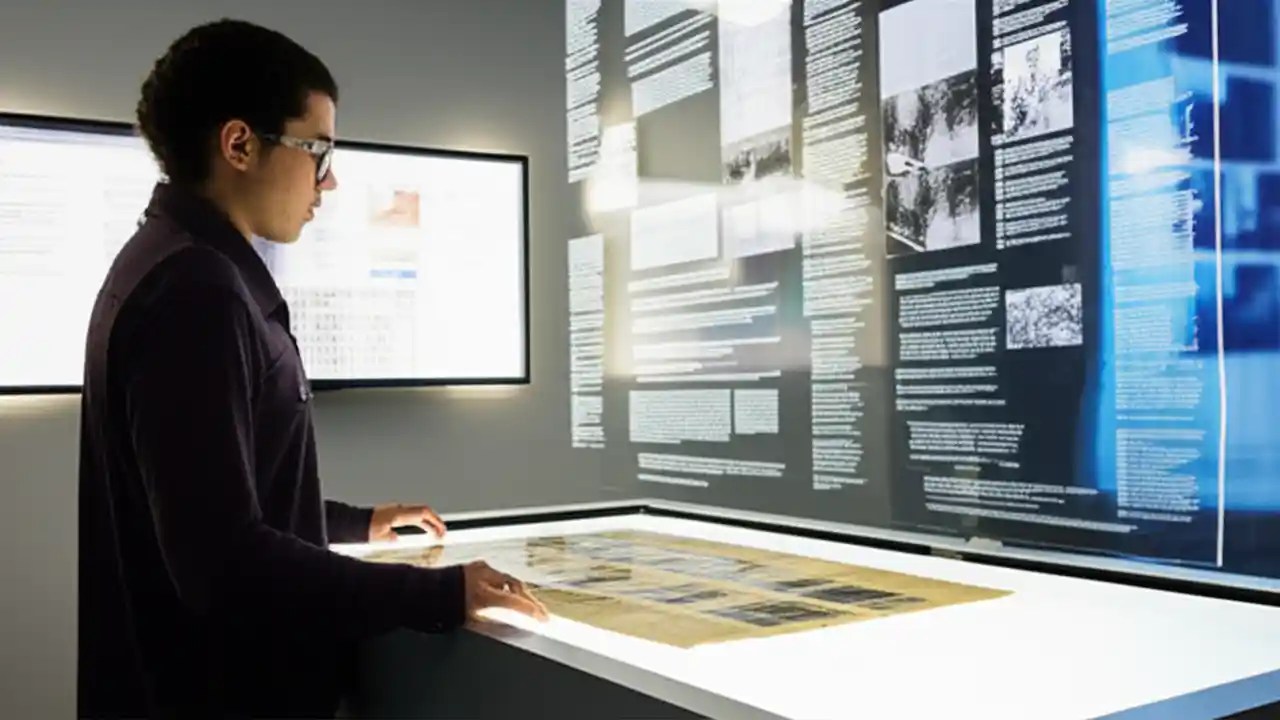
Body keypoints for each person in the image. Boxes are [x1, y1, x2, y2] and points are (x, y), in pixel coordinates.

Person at [77, 18, 547, 719]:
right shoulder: (194, 290)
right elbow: (222, 562)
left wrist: (358, 523)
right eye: (316, 150)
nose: (329, 180)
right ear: (239, 144)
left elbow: (211, 496)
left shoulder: (173, 263)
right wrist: (439, 594)